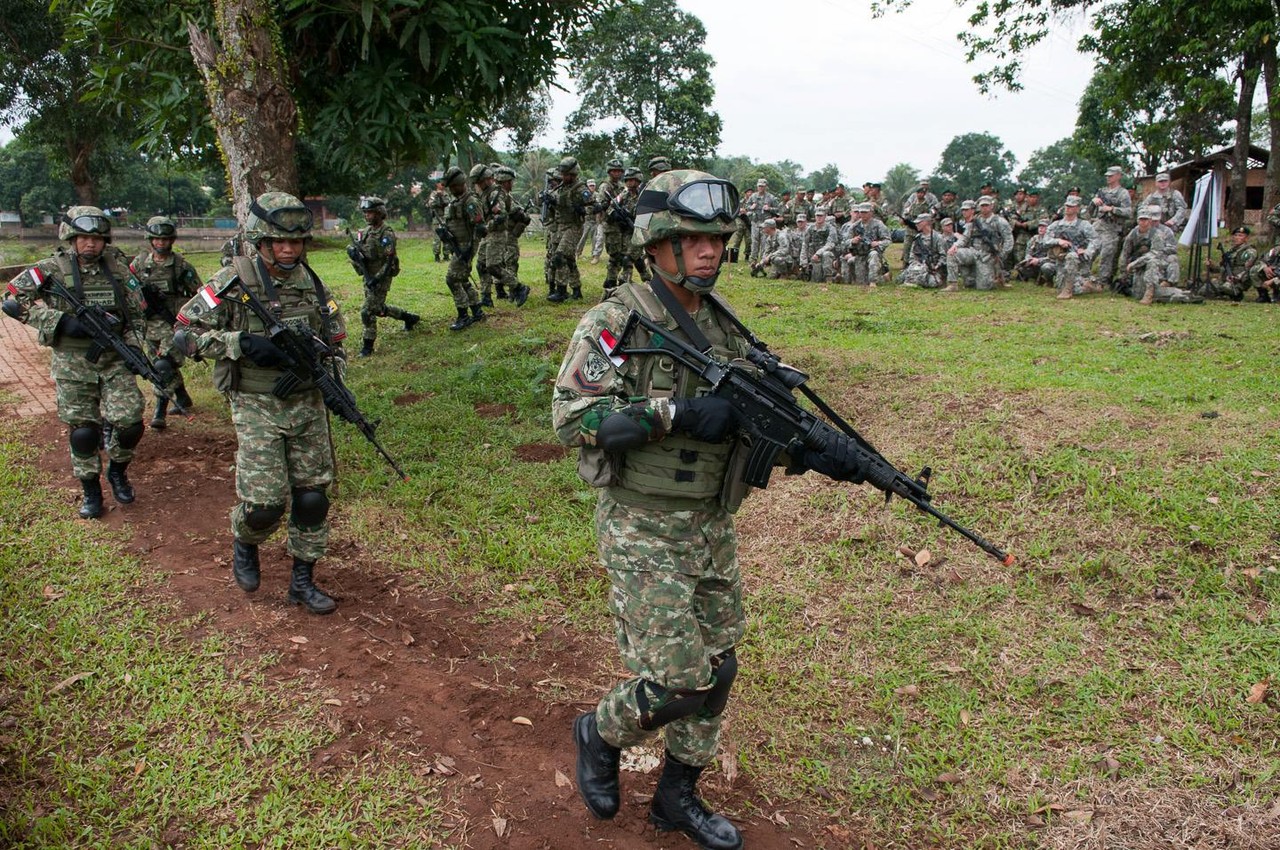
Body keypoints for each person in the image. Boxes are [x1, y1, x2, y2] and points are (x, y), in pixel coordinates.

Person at [553, 169, 866, 850]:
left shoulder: (725, 326)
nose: (709, 251)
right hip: (642, 522)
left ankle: (677, 797)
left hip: (709, 522)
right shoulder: (616, 321)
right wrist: (677, 413)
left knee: (719, 667)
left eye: (718, 240)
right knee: (679, 681)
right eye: (693, 239)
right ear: (656, 245)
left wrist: (816, 456)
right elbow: (574, 418)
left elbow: (752, 423)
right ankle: (599, 732)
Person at [171, 191, 344, 614]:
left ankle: (302, 582)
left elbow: (337, 344)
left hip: (306, 402)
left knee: (312, 498)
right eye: (279, 242)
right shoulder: (232, 281)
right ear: (261, 241)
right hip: (255, 402)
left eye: (296, 242)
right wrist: (240, 342)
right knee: (265, 505)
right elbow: (183, 333)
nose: (288, 250)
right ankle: (244, 541)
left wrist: (331, 374)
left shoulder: (313, 285)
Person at [4, 206, 167, 519]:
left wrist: (134, 348)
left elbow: (137, 314)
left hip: (114, 358)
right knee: (84, 431)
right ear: (70, 237)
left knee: (130, 422)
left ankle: (117, 471)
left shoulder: (119, 268)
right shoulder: (50, 268)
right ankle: (91, 490)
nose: (90, 243)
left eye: (97, 238)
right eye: (83, 238)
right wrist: (59, 322)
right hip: (72, 363)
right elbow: (11, 300)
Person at [131, 215, 199, 428]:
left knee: (164, 365)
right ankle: (182, 396)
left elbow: (199, 294)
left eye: (165, 239)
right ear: (150, 239)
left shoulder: (181, 266)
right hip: (149, 325)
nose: (161, 243)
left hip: (173, 325)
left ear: (172, 240)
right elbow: (126, 287)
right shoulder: (139, 264)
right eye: (157, 239)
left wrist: (189, 318)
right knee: (157, 364)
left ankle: (160, 410)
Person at [349, 196, 418, 357]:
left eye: (370, 212)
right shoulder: (366, 232)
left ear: (379, 213)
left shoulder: (386, 233)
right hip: (368, 276)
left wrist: (377, 279)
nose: (367, 215)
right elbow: (361, 253)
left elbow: (389, 261)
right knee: (378, 308)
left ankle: (368, 346)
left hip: (381, 277)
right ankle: (408, 317)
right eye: (365, 212)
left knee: (367, 311)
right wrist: (353, 254)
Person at [439, 166, 487, 328]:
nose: (452, 190)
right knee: (462, 279)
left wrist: (469, 250)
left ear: (461, 184)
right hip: (457, 245)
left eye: (454, 186)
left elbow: (480, 228)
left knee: (452, 279)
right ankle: (477, 311)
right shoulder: (455, 202)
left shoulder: (470, 202)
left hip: (466, 247)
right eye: (450, 187)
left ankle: (463, 315)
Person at [945, 196, 1012, 292]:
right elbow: (965, 237)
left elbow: (1009, 240)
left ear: (991, 206)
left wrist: (1001, 256)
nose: (984, 208)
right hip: (973, 251)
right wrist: (955, 246)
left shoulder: (1000, 222)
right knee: (952, 254)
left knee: (984, 287)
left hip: (988, 255)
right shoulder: (975, 221)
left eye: (986, 205)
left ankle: (996, 277)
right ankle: (953, 284)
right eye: (982, 206)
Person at [487, 166, 532, 306]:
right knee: (509, 262)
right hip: (507, 234)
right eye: (511, 181)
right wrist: (522, 214)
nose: (512, 184)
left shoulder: (501, 194)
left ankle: (505, 291)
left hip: (505, 233)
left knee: (501, 262)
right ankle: (514, 290)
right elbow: (508, 211)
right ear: (506, 181)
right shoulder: (500, 195)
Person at [551, 156, 593, 302]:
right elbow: (559, 203)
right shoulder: (562, 187)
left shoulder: (581, 189)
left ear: (573, 174)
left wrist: (582, 210)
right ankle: (576, 289)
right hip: (561, 226)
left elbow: (594, 206)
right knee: (569, 260)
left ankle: (561, 290)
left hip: (574, 227)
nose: (563, 177)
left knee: (560, 256)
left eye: (566, 174)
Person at [1043, 197, 1098, 300]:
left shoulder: (1084, 225)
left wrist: (1087, 251)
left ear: (1077, 208)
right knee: (1062, 287)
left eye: (1071, 206)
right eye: (1067, 206)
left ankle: (1068, 290)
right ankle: (1087, 284)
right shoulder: (1056, 225)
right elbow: (1045, 240)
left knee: (1072, 256)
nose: (1068, 208)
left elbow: (1095, 240)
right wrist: (1058, 241)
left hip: (1079, 263)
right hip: (1061, 262)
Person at [1089, 166, 1133, 290]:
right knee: (1090, 250)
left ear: (1119, 176)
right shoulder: (1102, 191)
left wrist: (1112, 209)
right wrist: (1093, 201)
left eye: (1111, 176)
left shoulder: (1123, 193)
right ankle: (1083, 276)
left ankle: (1103, 281)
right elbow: (1090, 212)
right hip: (1099, 225)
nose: (1108, 178)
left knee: (1107, 254)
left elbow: (1128, 212)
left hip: (1112, 227)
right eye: (1107, 176)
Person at [1197, 226, 1258, 301]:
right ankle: (1221, 294)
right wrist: (1212, 266)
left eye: (1240, 236)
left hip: (1239, 281)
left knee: (1226, 288)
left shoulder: (1250, 252)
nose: (1237, 238)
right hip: (1225, 279)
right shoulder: (1231, 251)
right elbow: (1223, 268)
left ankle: (1236, 294)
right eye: (1235, 235)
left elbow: (1249, 270)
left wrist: (1236, 278)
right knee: (1203, 290)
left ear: (1246, 238)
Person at [901, 214, 947, 288]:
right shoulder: (918, 238)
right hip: (919, 266)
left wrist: (936, 266)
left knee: (933, 283)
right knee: (901, 278)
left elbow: (944, 256)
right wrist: (916, 264)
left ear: (925, 223)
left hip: (934, 269)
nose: (916, 224)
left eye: (918, 223)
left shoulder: (938, 237)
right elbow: (912, 255)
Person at [427, 181, 452, 262]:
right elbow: (431, 204)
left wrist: (441, 197)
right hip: (437, 219)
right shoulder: (433, 194)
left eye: (443, 184)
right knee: (437, 239)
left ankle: (446, 256)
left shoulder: (446, 194)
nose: (443, 185)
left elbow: (447, 203)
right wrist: (437, 197)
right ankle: (437, 256)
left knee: (446, 237)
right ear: (437, 185)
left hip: (445, 218)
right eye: (441, 183)